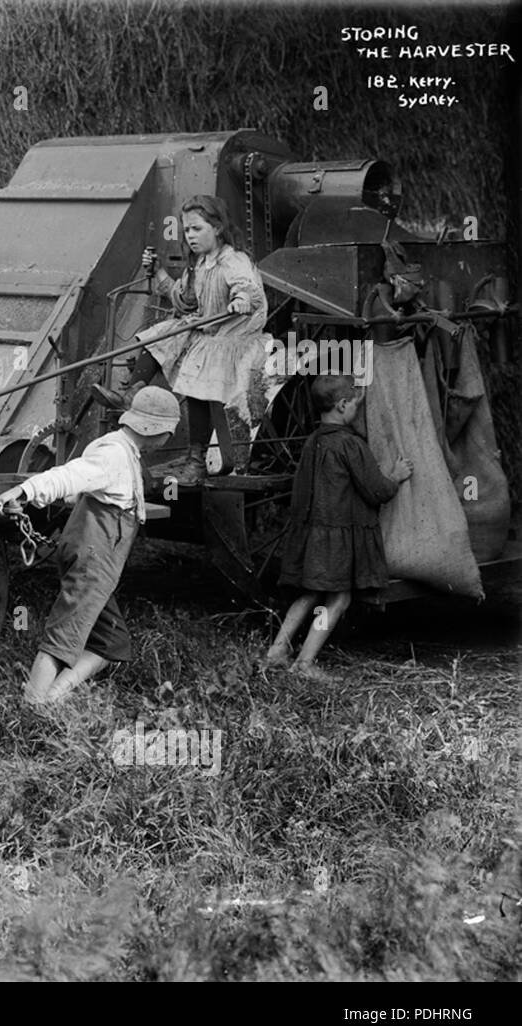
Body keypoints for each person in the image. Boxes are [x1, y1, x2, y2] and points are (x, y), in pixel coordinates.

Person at [0, 386, 181, 704]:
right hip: (93, 558)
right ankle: (31, 706)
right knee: (64, 636)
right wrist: (21, 493)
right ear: (157, 431)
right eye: (168, 433)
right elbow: (67, 476)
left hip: (100, 560)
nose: (167, 441)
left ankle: (54, 697)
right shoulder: (113, 453)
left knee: (112, 641)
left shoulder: (124, 451)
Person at [94, 195, 267, 484]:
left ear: (218, 228)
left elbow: (247, 288)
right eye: (187, 230)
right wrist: (158, 271)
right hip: (209, 332)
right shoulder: (200, 263)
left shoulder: (234, 259)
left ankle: (196, 460)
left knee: (199, 377)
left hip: (235, 339)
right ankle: (131, 394)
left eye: (197, 229)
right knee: (163, 334)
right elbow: (184, 301)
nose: (191, 235)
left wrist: (241, 300)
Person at [264, 376, 412, 681]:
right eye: (355, 403)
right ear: (343, 405)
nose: (357, 408)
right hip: (336, 540)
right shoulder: (350, 445)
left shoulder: (312, 442)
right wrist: (395, 476)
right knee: (338, 599)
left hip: (312, 535)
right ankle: (305, 663)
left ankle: (276, 653)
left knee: (308, 594)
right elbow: (377, 491)